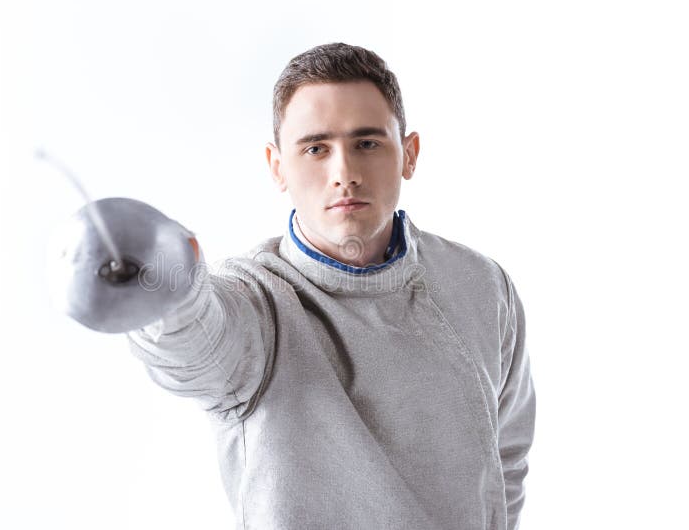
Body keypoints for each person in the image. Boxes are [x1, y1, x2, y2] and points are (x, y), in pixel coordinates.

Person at [126, 42, 536, 530]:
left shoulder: (481, 285)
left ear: (409, 154)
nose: (344, 174)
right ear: (277, 166)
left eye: (367, 143)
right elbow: (194, 348)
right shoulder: (256, 301)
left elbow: (506, 457)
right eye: (316, 148)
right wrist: (160, 283)